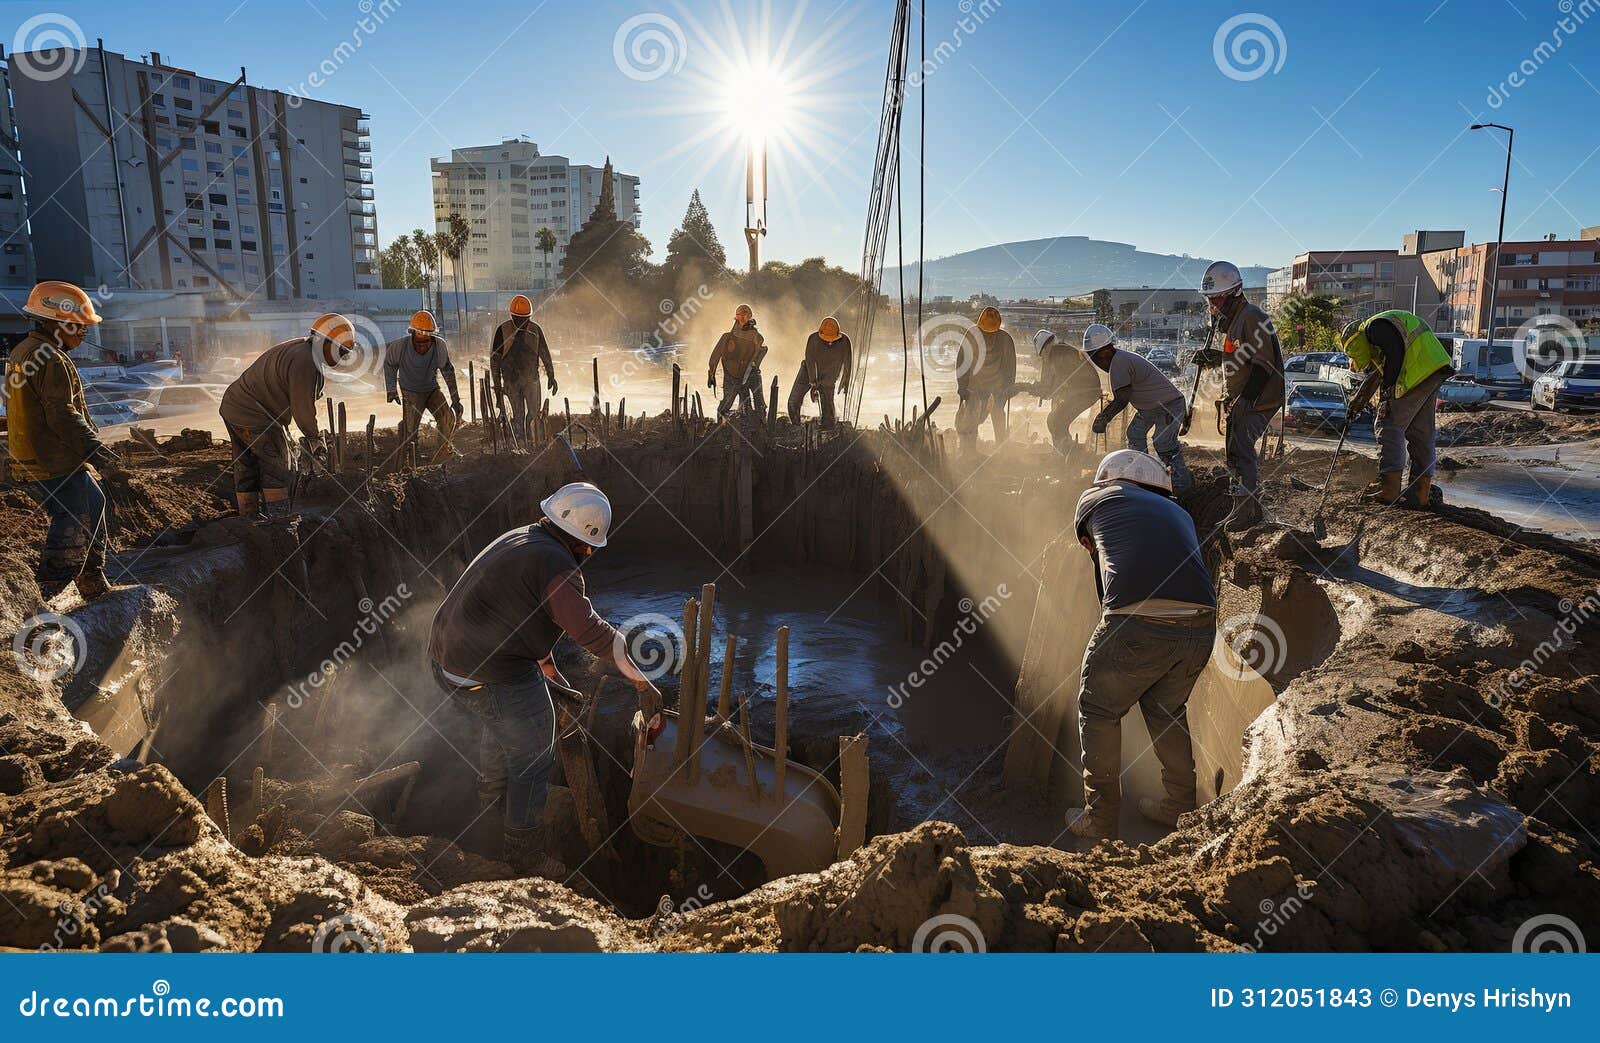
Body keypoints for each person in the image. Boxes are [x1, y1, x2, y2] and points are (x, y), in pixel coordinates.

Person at [427, 482, 664, 871]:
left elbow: (518, 615)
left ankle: (490, 800)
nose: (589, 555)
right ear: (579, 542)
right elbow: (591, 631)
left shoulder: (524, 539)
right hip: (485, 667)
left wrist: (549, 669)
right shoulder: (558, 568)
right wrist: (640, 679)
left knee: (503, 717)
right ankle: (523, 851)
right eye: (590, 548)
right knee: (536, 748)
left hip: (446, 661)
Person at [1064, 449, 1217, 841]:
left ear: (1109, 476)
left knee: (1097, 708)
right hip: (1201, 625)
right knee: (1167, 711)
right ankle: (1180, 807)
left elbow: (1098, 563)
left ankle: (1099, 820)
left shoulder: (1095, 497)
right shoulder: (1180, 513)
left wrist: (1112, 624)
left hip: (1136, 620)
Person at [5, 280, 125, 602]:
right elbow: (61, 414)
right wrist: (95, 449)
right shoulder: (50, 358)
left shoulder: (25, 350)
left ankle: (90, 579)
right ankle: (46, 594)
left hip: (42, 453)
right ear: (58, 322)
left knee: (94, 502)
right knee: (74, 518)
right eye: (79, 326)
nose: (84, 332)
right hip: (52, 457)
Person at [218, 313, 353, 519]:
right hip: (256, 415)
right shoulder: (306, 362)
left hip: (234, 406)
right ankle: (278, 520)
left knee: (247, 466)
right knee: (278, 465)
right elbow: (302, 408)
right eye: (342, 351)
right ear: (327, 344)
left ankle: (249, 518)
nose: (341, 358)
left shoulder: (301, 349)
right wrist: (314, 438)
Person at [1195, 260, 1285, 530]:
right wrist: (1216, 357)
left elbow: (1262, 365)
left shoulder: (1251, 317)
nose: (1213, 304)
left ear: (1233, 293)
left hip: (1258, 398)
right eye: (1210, 299)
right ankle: (1244, 507)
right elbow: (1240, 357)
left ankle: (1246, 510)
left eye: (1216, 298)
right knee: (1235, 451)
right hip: (1244, 398)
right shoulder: (1234, 322)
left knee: (1239, 450)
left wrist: (1246, 401)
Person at [1339, 310, 1455, 507]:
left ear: (1355, 345)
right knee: (1420, 433)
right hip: (1433, 369)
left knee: (1389, 425)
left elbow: (1395, 355)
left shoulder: (1374, 328)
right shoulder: (1381, 333)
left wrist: (1388, 391)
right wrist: (1357, 403)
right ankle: (1419, 495)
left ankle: (1389, 491)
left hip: (1416, 372)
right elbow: (1376, 374)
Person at [1084, 324, 1192, 492]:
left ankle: (1182, 485)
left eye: (1096, 358)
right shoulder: (1119, 360)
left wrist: (1104, 418)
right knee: (1134, 434)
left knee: (1163, 442)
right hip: (1151, 408)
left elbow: (1122, 399)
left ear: (1105, 352)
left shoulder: (1119, 362)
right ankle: (1144, 474)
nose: (1097, 363)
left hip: (1168, 404)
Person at [384, 310, 463, 462]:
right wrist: (391, 389)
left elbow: (448, 371)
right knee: (411, 428)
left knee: (447, 417)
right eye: (421, 339)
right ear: (413, 333)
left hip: (432, 389)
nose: (424, 343)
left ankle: (443, 452)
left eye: (428, 339)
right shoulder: (399, 347)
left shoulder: (439, 346)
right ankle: (411, 457)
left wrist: (456, 399)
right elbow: (389, 364)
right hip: (410, 391)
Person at [490, 294, 557, 447]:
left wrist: (551, 375)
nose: (521, 323)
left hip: (531, 380)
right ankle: (519, 443)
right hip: (511, 381)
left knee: (534, 413)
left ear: (529, 317)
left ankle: (532, 441)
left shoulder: (535, 330)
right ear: (512, 316)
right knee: (517, 414)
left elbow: (544, 353)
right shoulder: (503, 331)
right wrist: (497, 384)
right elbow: (495, 359)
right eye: (518, 320)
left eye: (524, 320)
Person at [1027, 328, 1103, 458]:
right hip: (1087, 391)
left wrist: (1027, 388)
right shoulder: (1062, 350)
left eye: (1042, 355)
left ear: (1044, 349)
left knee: (1056, 420)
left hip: (1084, 392)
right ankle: (1065, 449)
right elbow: (1057, 382)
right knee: (1057, 420)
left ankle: (1066, 453)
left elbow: (1050, 386)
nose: (1043, 358)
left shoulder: (1055, 354)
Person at [953, 306, 1017, 453]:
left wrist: (1008, 388)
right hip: (975, 387)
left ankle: (1001, 450)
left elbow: (1010, 367)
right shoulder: (971, 336)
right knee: (971, 417)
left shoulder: (1005, 339)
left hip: (997, 387)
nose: (988, 337)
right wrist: (962, 388)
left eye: (991, 333)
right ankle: (969, 451)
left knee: (998, 414)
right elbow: (962, 363)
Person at [786, 316, 852, 428]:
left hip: (829, 374)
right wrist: (813, 383)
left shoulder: (844, 342)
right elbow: (810, 361)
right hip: (807, 371)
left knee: (828, 409)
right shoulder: (813, 339)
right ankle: (796, 427)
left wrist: (846, 380)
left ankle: (828, 428)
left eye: (832, 339)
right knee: (793, 402)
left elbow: (848, 362)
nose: (829, 342)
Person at [708, 304, 767, 418]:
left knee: (758, 403)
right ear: (736, 318)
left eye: (745, 315)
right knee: (726, 404)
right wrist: (711, 373)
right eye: (739, 316)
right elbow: (715, 356)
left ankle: (761, 424)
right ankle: (721, 425)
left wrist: (755, 365)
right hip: (732, 376)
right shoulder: (727, 337)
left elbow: (762, 351)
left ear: (749, 317)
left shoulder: (757, 337)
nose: (742, 319)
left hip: (750, 374)